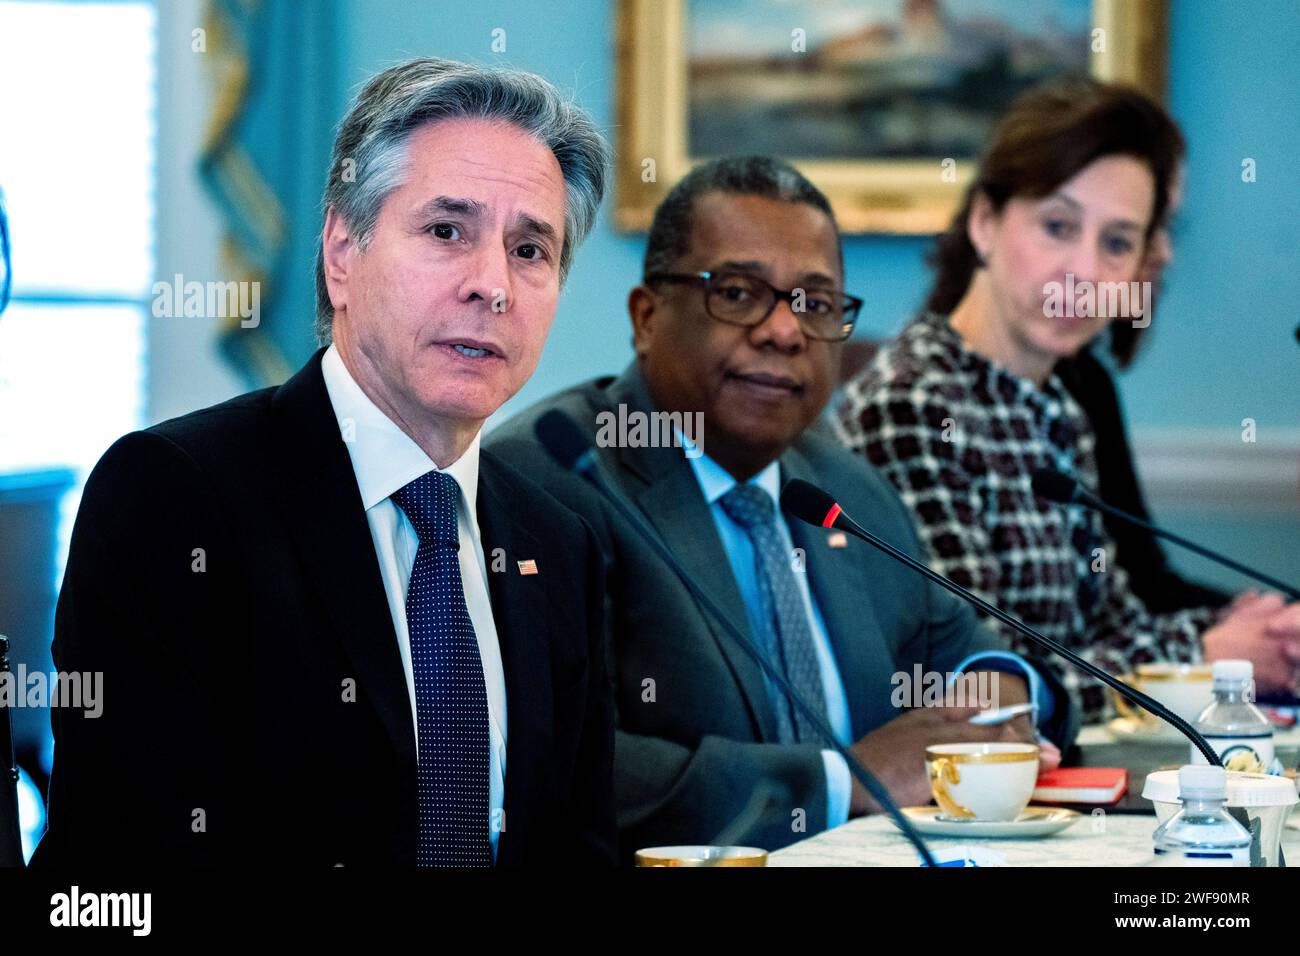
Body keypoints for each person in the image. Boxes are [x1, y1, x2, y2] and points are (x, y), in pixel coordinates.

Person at [33, 57, 616, 866]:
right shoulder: (174, 496)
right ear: (342, 252)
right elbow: (130, 859)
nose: (494, 286)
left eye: (530, 250)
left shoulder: (560, 545)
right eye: (447, 231)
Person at [488, 156, 1076, 858]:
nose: (785, 331)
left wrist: (995, 698)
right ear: (646, 318)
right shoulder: (553, 478)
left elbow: (957, 646)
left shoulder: (844, 487)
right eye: (738, 294)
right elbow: (568, 770)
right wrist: (844, 782)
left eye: (816, 304)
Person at [835, 80, 1300, 722]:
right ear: (984, 223)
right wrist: (1207, 648)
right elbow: (989, 685)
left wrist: (1262, 634)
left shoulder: (1058, 405)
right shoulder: (912, 406)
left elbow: (1116, 620)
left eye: (1115, 244)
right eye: (1057, 226)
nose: (1084, 273)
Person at [1054, 168, 1232, 613]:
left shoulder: (1085, 379)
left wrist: (1260, 620)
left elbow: (1135, 589)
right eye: (1151, 228)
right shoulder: (930, 398)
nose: (1166, 253)